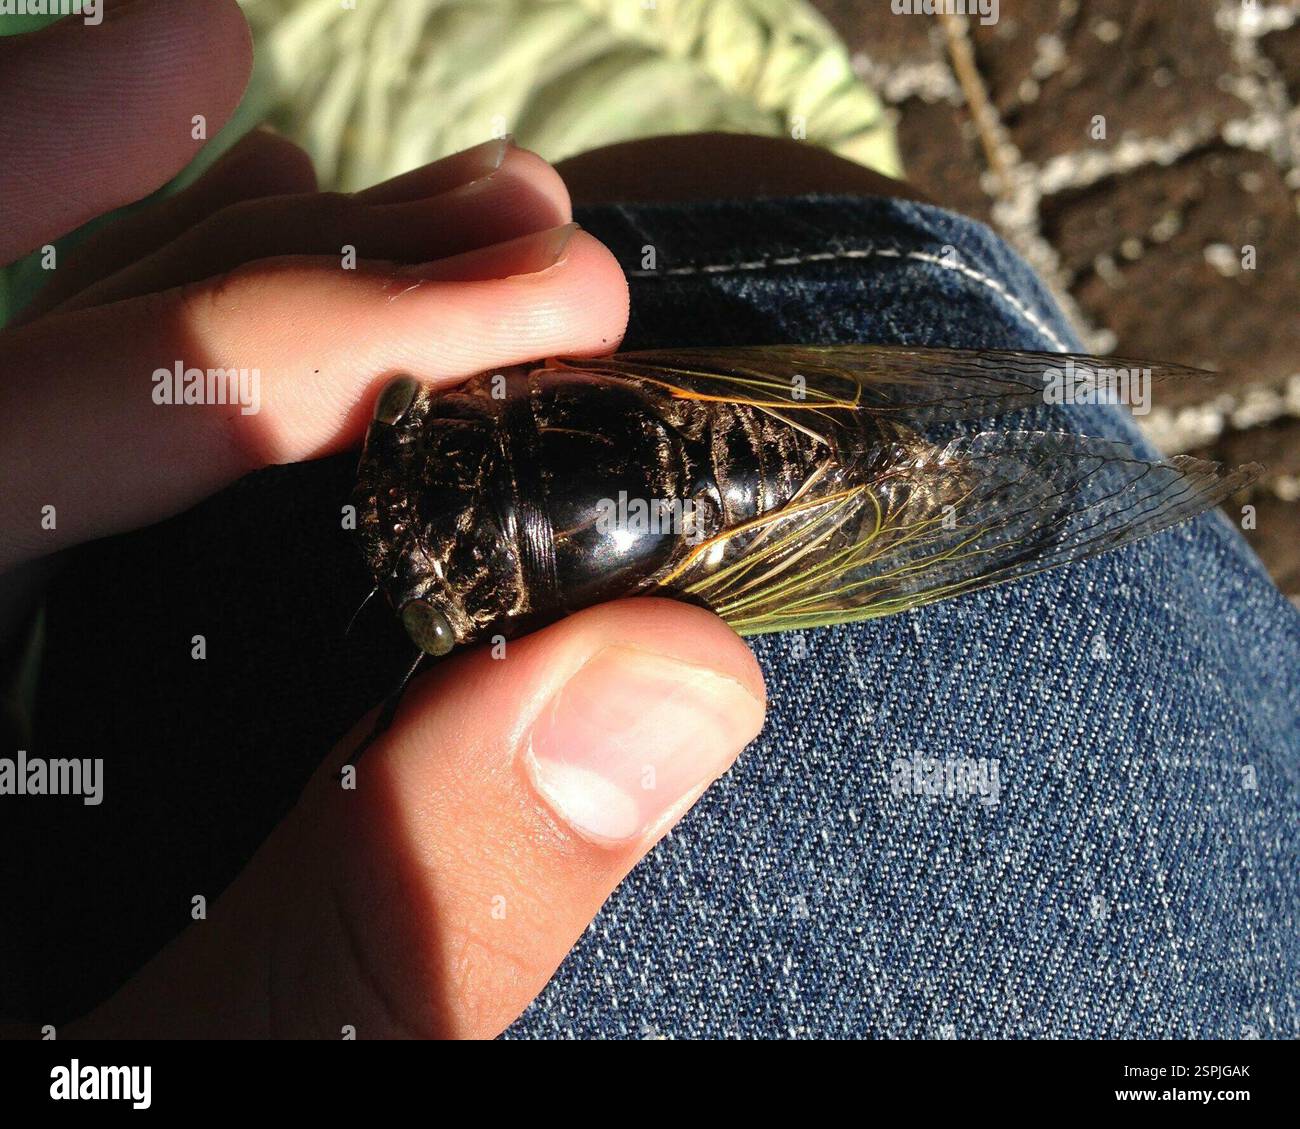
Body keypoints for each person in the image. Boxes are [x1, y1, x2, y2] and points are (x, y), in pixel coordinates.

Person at [1, 0, 1295, 1040]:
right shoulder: (469, 427)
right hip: (756, 442)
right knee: (792, 271)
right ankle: (699, 120)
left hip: (732, 481)